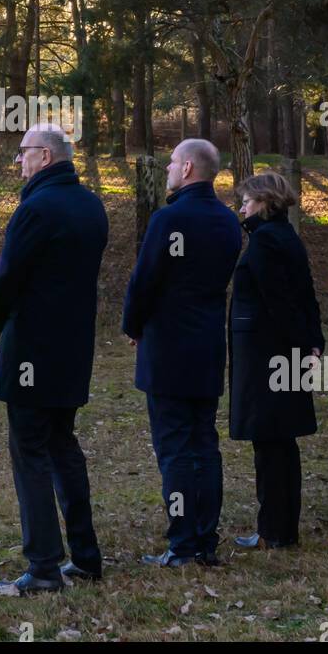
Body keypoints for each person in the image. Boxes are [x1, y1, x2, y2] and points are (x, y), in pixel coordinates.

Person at [0, 123, 109, 594]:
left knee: (31, 453)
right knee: (63, 446)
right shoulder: (90, 205)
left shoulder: (36, 207)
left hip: (33, 348)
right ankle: (86, 554)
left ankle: (42, 564)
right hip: (74, 346)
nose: (17, 161)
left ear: (47, 156)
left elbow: (7, 275)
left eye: (23, 153)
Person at [121, 139, 241, 568]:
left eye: (172, 162)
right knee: (205, 444)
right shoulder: (229, 222)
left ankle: (182, 541)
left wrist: (133, 325)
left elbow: (146, 280)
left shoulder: (169, 219)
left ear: (188, 168)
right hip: (207, 342)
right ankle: (205, 537)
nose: (169, 169)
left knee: (173, 448)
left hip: (169, 344)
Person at [228, 170, 323, 550]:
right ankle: (281, 527)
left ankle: (273, 529)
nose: (241, 208)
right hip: (283, 350)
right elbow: (304, 295)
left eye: (247, 202)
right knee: (280, 442)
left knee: (270, 443)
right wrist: (311, 342)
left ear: (265, 203)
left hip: (268, 353)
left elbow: (280, 300)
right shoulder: (286, 237)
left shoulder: (265, 242)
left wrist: (300, 344)